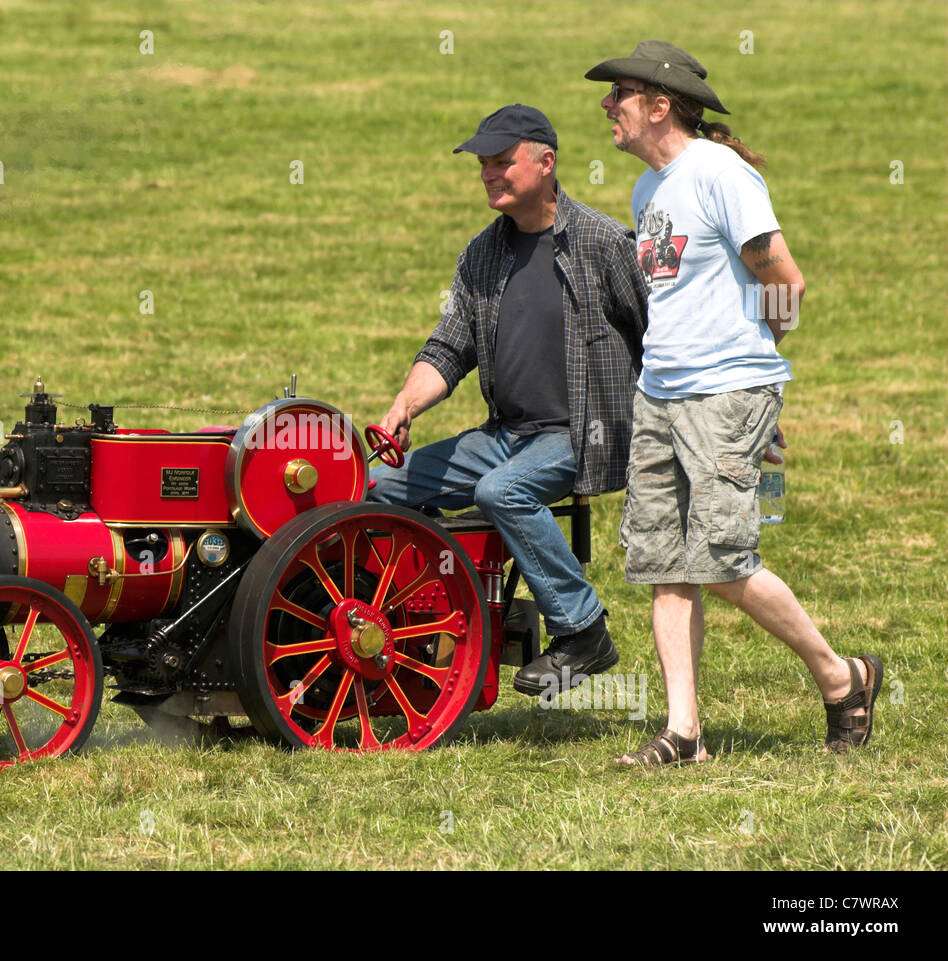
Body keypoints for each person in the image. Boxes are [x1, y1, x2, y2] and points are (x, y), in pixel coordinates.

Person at [586, 41, 882, 764]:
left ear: (659, 106)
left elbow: (786, 283)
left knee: (721, 559)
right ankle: (684, 734)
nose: (605, 106)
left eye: (617, 93)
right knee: (662, 563)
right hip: (660, 391)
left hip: (725, 390)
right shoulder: (646, 191)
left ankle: (842, 677)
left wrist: (757, 370)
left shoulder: (719, 173)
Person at [368, 104, 649, 697]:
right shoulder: (481, 254)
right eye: (483, 166)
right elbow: (448, 347)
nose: (490, 174)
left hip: (583, 434)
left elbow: (659, 335)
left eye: (502, 162)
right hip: (505, 434)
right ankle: (424, 632)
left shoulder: (603, 243)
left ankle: (582, 629)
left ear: (546, 164)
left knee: (502, 490)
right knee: (377, 488)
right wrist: (404, 407)